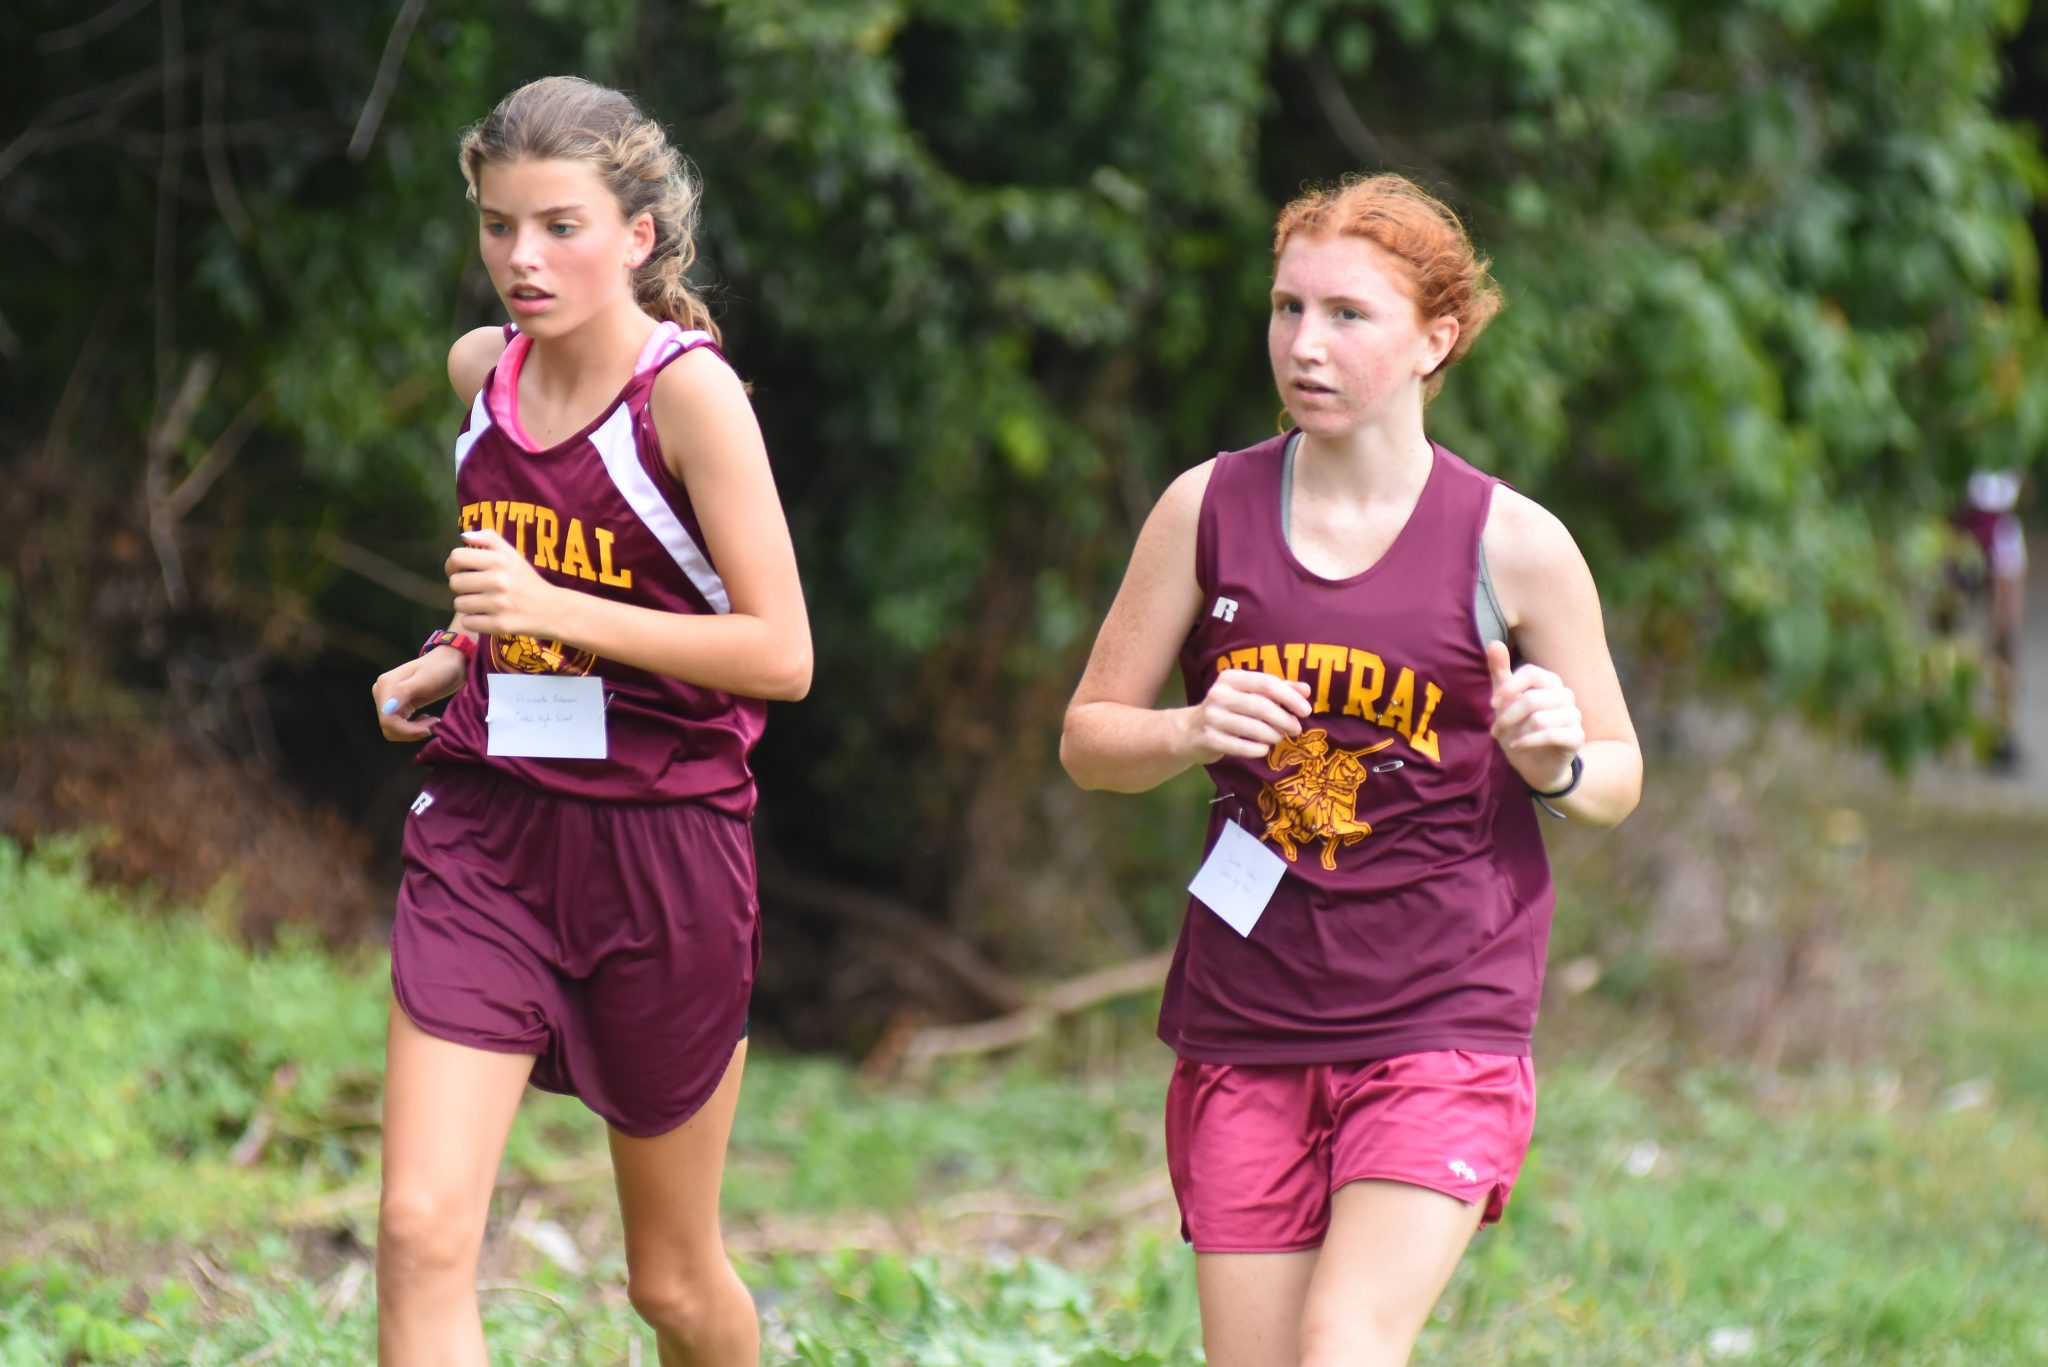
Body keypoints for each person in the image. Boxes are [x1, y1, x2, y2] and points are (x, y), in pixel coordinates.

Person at [1059, 175, 1641, 1367]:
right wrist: (1186, 730)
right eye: (1285, 309)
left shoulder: (1513, 544)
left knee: (1343, 1345)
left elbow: (1616, 771)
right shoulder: (1203, 510)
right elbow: (1087, 738)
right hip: (1246, 1011)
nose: (1301, 345)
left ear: (1437, 339)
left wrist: (1551, 759)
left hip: (1443, 1012)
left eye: (1345, 316)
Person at [368, 76, 810, 1366]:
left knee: (670, 1284)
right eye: (499, 226)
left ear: (639, 235)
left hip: (662, 851)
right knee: (416, 1227)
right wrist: (454, 656)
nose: (522, 259)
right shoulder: (478, 376)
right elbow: (512, 602)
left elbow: (779, 653)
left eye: (559, 225)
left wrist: (553, 602)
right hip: (491, 832)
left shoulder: (688, 401)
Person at [1958, 468, 2028, 769]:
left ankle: (2001, 730)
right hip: (1980, 523)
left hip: (1982, 523)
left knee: (2003, 638)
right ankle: (1978, 728)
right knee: (1995, 638)